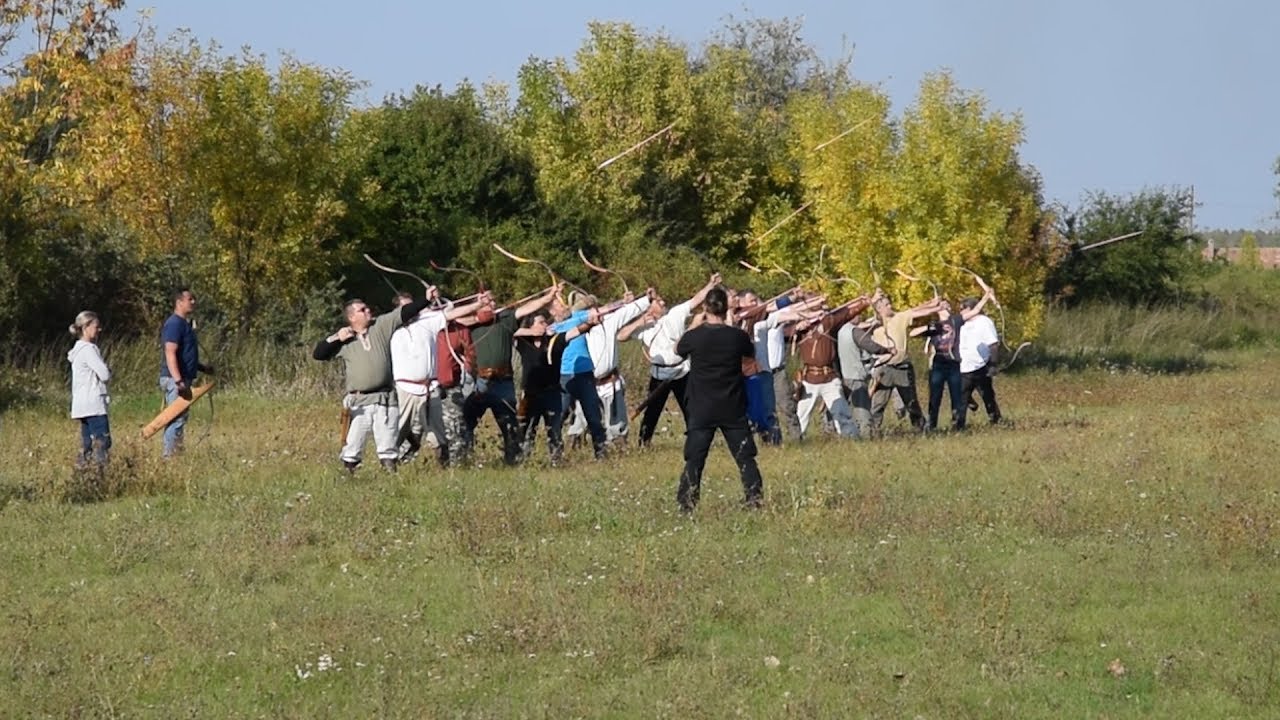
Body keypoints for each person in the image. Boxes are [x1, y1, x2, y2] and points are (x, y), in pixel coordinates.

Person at [313, 290, 439, 472]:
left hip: (385, 398)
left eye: (366, 308)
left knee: (388, 448)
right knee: (353, 447)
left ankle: (391, 482)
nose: (367, 311)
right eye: (362, 310)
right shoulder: (344, 340)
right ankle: (348, 479)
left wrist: (426, 299)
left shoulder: (380, 326)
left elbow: (404, 312)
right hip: (360, 402)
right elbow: (318, 354)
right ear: (351, 317)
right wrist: (335, 338)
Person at [673, 286, 763, 511]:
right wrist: (731, 325)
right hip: (732, 405)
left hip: (702, 407)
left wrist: (694, 324)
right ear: (726, 309)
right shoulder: (737, 336)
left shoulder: (695, 336)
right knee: (745, 457)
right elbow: (749, 353)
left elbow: (677, 350)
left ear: (705, 307)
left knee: (695, 458)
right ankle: (754, 500)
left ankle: (687, 504)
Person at [620, 273, 721, 447]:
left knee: (691, 409)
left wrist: (710, 284)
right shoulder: (644, 326)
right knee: (652, 411)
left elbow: (696, 300)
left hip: (682, 371)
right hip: (659, 374)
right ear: (650, 307)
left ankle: (697, 441)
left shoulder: (675, 314)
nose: (663, 302)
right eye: (658, 301)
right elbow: (621, 336)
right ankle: (644, 443)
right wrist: (639, 322)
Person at [465, 285, 561, 465]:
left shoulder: (505, 319)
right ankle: (465, 459)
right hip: (482, 381)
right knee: (466, 422)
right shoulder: (473, 321)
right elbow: (454, 317)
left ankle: (512, 464)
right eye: (486, 300)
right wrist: (477, 311)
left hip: (503, 382)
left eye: (492, 300)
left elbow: (527, 309)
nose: (491, 303)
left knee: (510, 427)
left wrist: (547, 297)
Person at [390, 291, 485, 464]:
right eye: (407, 307)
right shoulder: (389, 326)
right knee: (402, 429)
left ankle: (444, 466)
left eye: (414, 306)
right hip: (405, 388)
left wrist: (478, 305)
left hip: (430, 386)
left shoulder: (427, 323)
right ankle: (391, 464)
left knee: (438, 432)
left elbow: (452, 313)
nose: (413, 310)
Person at [514, 308, 607, 464]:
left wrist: (590, 323)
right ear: (531, 325)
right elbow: (512, 331)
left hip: (552, 393)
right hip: (531, 394)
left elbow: (575, 331)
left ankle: (556, 460)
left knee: (554, 430)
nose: (545, 325)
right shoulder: (524, 343)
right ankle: (524, 461)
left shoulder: (554, 341)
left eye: (545, 322)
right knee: (527, 429)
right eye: (541, 322)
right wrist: (531, 332)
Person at [565, 288, 650, 447]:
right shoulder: (573, 328)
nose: (589, 313)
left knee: (616, 423)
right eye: (584, 311)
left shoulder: (609, 321)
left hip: (609, 380)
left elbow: (628, 310)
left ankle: (617, 447)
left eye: (591, 309)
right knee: (580, 421)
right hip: (588, 382)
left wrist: (645, 299)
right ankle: (575, 445)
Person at [793, 296, 871, 439]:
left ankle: (851, 438)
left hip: (829, 378)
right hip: (809, 379)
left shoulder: (828, 322)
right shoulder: (800, 328)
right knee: (801, 414)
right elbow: (785, 331)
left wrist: (865, 303)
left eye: (822, 309)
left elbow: (847, 313)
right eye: (817, 309)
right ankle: (795, 440)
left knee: (841, 411)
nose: (821, 312)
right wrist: (796, 328)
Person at [867, 290, 941, 432]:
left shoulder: (900, 317)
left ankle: (920, 429)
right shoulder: (874, 325)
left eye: (890, 303)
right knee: (878, 403)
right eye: (886, 305)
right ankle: (872, 430)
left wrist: (935, 307)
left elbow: (916, 312)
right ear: (879, 309)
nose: (890, 306)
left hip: (902, 368)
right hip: (884, 369)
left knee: (911, 402)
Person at [922, 292, 993, 430]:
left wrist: (986, 297)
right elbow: (913, 333)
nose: (947, 307)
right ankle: (931, 425)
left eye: (948, 306)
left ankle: (957, 425)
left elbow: (976, 311)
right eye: (943, 306)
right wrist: (929, 324)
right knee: (935, 396)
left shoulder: (955, 320)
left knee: (957, 396)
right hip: (938, 364)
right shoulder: (934, 325)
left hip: (954, 364)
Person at [159, 288, 213, 458]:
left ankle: (176, 454)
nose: (193, 302)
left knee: (180, 418)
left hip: (183, 377)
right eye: (190, 299)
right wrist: (178, 380)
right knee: (175, 418)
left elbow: (185, 355)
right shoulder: (174, 324)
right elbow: (170, 352)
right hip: (175, 379)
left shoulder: (185, 325)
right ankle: (170, 457)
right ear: (179, 302)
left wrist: (202, 368)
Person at [68, 311, 111, 466]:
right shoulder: (89, 349)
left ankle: (83, 474)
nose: (99, 330)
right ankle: (100, 476)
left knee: (87, 443)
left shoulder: (77, 350)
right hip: (94, 404)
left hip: (81, 405)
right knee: (102, 441)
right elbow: (104, 374)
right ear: (86, 327)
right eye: (96, 326)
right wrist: (108, 370)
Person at [958, 294, 1003, 427]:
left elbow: (993, 344)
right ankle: (959, 424)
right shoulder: (964, 324)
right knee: (961, 396)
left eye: (962, 308)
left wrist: (993, 365)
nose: (960, 311)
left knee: (987, 395)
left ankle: (996, 421)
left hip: (981, 365)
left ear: (970, 308)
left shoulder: (984, 322)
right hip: (964, 366)